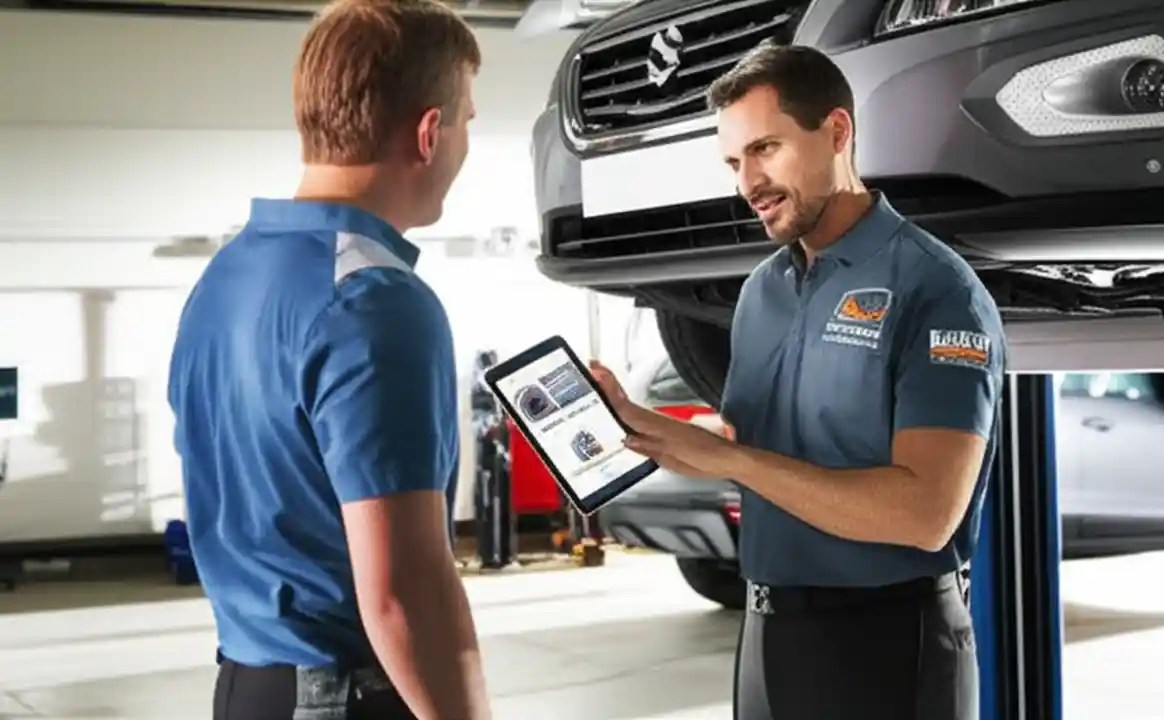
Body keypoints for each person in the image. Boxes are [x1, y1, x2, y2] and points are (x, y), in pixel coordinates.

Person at [590, 44, 1006, 720]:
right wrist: (642, 429)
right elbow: (759, 448)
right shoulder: (763, 290)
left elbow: (927, 515)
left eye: (766, 149)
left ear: (837, 132)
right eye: (734, 162)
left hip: (888, 642)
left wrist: (731, 460)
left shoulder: (937, 290)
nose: (748, 183)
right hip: (766, 630)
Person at [167, 1, 491, 718]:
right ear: (429, 133)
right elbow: (403, 594)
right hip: (343, 697)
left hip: (246, 686)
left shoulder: (225, 277)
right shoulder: (376, 300)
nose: (467, 140)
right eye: (467, 119)